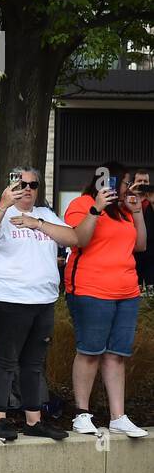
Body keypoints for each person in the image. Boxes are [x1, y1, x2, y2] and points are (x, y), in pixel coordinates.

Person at [0, 167, 77, 441]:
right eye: (23, 184)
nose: (29, 189)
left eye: (34, 185)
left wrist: (38, 224)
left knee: (34, 362)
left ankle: (34, 421)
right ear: (12, 185)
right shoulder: (0, 212)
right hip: (8, 298)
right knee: (6, 360)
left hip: (43, 299)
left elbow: (74, 239)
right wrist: (2, 205)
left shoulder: (46, 214)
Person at [64, 163, 148, 438]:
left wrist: (137, 213)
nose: (129, 189)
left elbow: (140, 245)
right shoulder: (82, 203)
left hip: (126, 292)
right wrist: (96, 209)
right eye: (126, 183)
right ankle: (81, 414)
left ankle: (118, 416)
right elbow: (80, 239)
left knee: (116, 355)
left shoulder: (124, 211)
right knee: (90, 352)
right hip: (91, 289)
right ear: (106, 181)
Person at [133, 169, 154, 290]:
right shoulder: (129, 198)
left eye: (145, 181)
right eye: (139, 181)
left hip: (152, 250)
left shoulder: (152, 198)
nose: (142, 184)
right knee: (136, 286)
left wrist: (152, 202)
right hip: (134, 249)